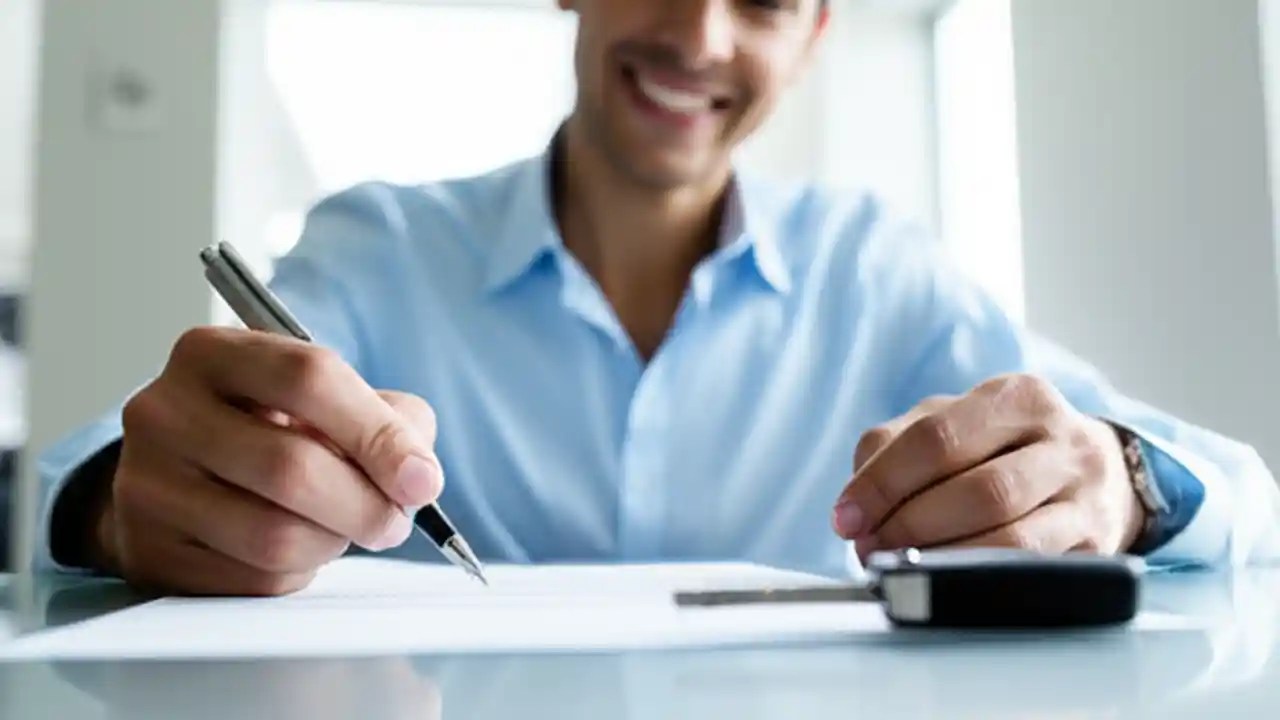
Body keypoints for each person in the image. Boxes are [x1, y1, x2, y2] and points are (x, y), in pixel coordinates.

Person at [35, 0, 1280, 595]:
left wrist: (1118, 480)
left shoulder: (877, 273)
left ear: (813, 36)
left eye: (763, 2)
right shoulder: (378, 250)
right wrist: (118, 513)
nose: (696, 34)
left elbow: (1236, 492)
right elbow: (74, 485)